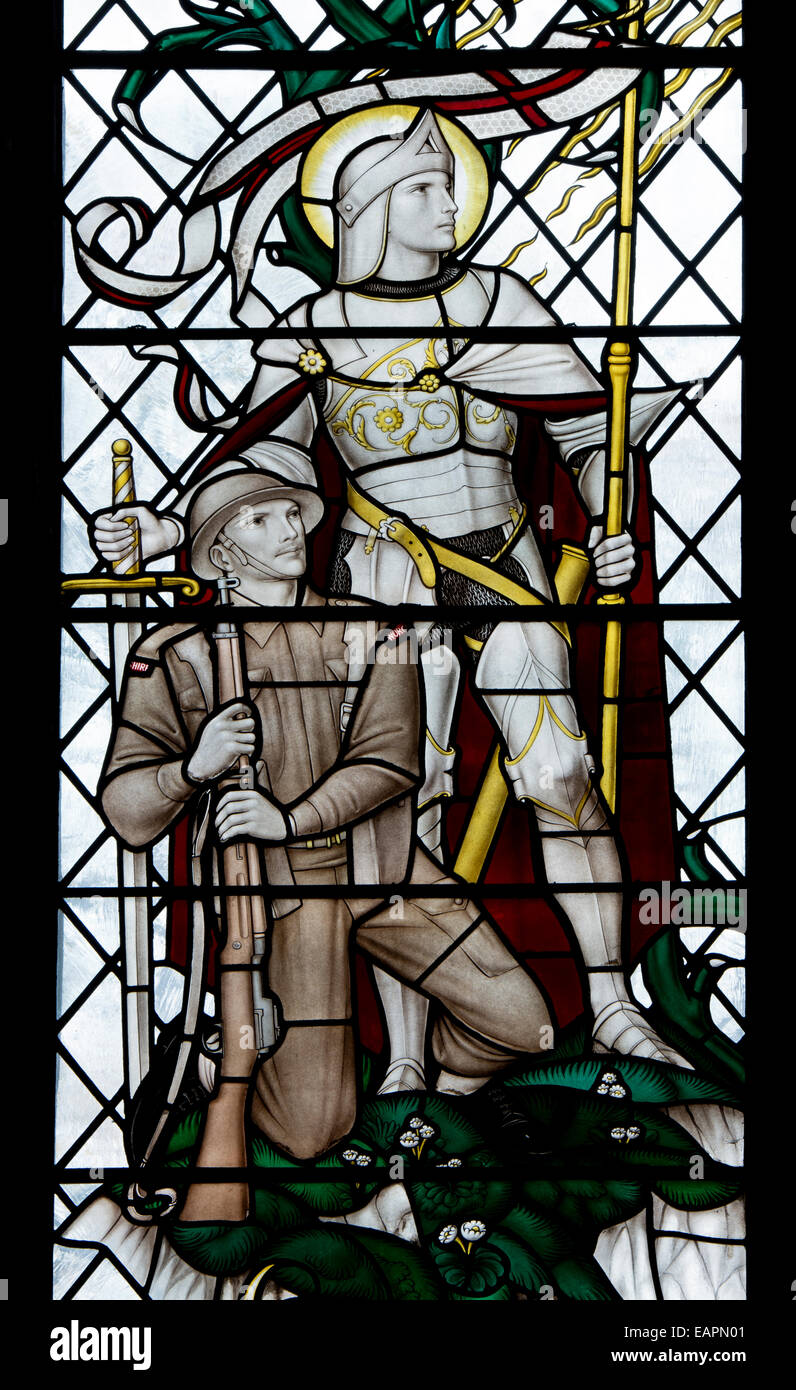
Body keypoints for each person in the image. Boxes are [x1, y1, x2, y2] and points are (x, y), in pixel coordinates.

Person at [94, 107, 687, 1079]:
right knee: (403, 807)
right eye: (422, 188)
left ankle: (614, 1002)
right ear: (368, 210)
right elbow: (265, 460)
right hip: (384, 581)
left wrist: (606, 518)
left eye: (449, 186)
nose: (446, 204)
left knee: (560, 777)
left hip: (505, 568)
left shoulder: (502, 302)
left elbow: (588, 432)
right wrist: (165, 529)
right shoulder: (317, 328)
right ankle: (406, 1056)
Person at [99, 463, 557, 1175]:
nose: (291, 531)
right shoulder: (173, 653)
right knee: (309, 1136)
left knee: (527, 1027)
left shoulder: (377, 630)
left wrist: (287, 819)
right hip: (280, 896)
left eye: (292, 514)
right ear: (221, 550)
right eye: (261, 520)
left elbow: (390, 762)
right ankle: (211, 1060)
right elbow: (126, 808)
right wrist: (191, 768)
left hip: (386, 871)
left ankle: (451, 1094)